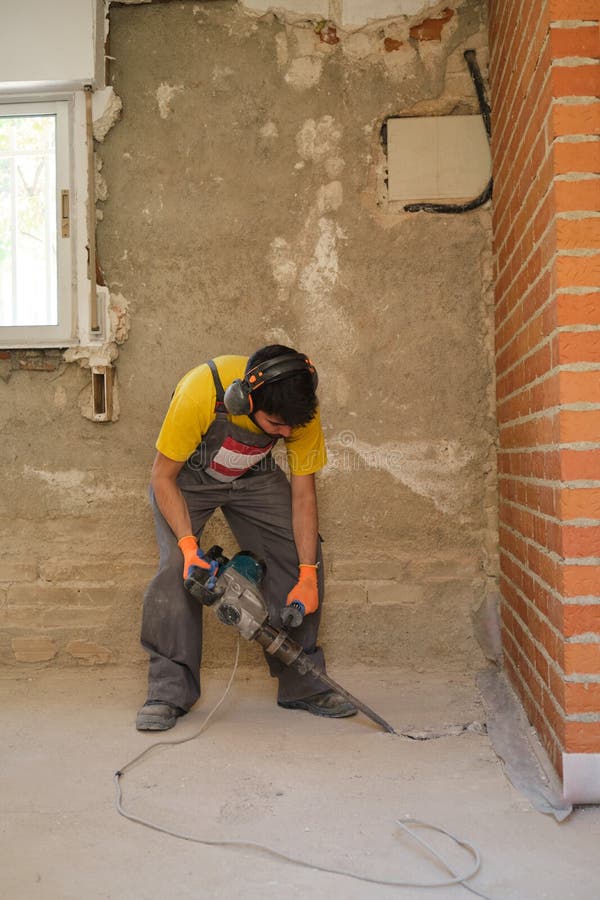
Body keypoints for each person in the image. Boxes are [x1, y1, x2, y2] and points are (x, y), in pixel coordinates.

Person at [136, 344, 356, 730]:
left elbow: (303, 495)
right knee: (177, 570)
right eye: (275, 425)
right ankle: (169, 692)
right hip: (188, 476)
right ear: (244, 400)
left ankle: (302, 684)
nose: (287, 433)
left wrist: (306, 574)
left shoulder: (301, 412)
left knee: (297, 551)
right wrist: (189, 548)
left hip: (253, 475)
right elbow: (162, 477)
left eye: (292, 426)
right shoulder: (199, 393)